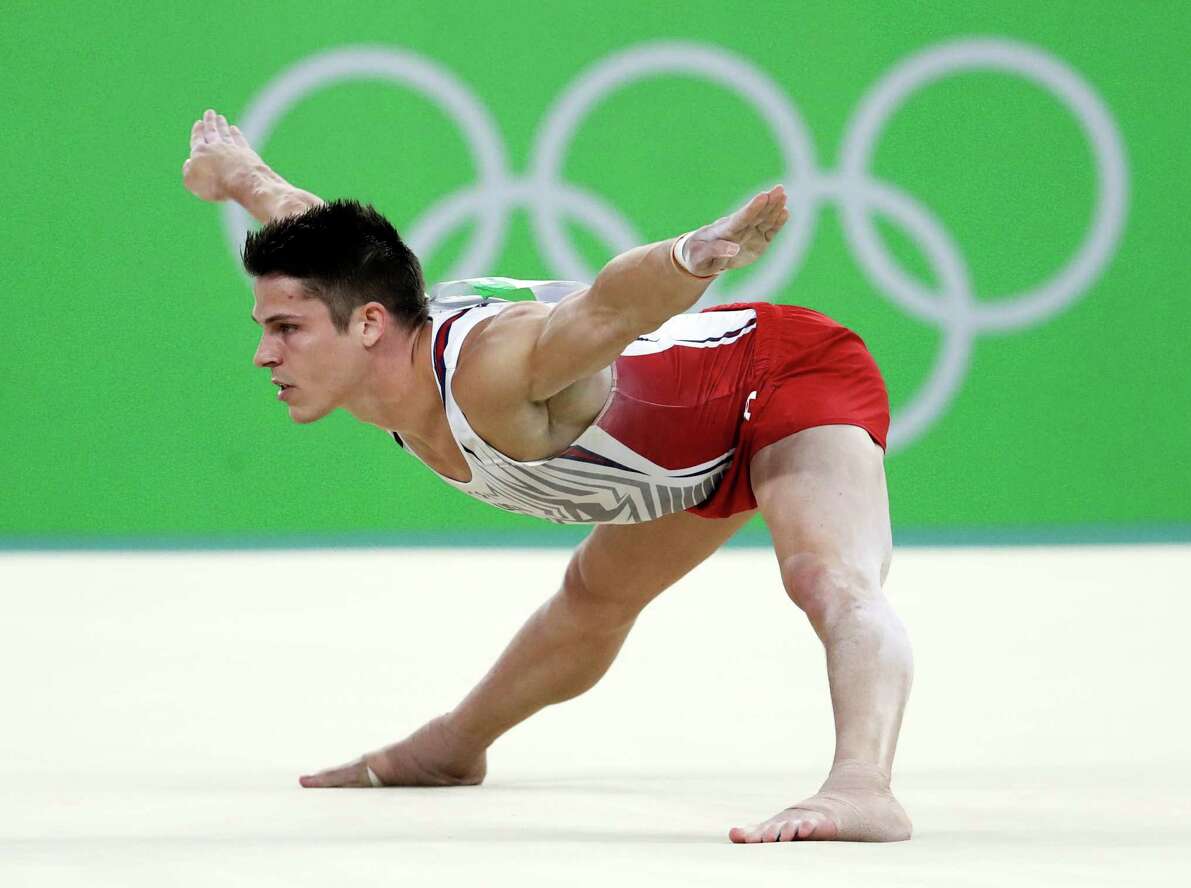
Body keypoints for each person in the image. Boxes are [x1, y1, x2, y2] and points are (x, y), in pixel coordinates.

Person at [183, 109, 914, 843]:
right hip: (696, 450)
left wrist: (688, 258)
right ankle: (451, 748)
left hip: (788, 374)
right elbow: (316, 230)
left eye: (286, 330)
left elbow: (606, 311)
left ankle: (863, 787)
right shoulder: (369, 317)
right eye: (268, 328)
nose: (265, 354)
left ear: (369, 324)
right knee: (593, 598)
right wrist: (243, 175)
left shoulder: (492, 369)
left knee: (827, 578)